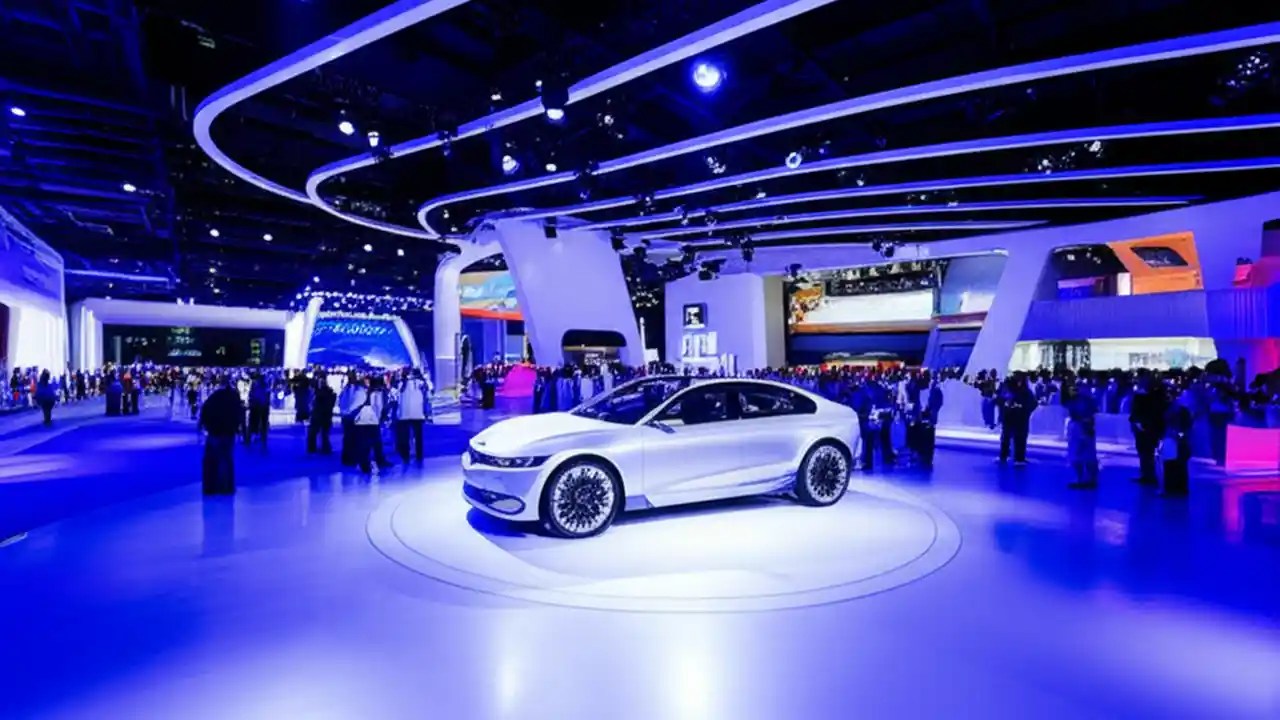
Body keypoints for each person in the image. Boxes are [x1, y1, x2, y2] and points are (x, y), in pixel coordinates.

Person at [198, 376, 243, 495]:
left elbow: (205, 411)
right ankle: (226, 487)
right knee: (226, 459)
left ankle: (211, 487)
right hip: (228, 432)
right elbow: (239, 414)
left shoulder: (214, 397)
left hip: (215, 432)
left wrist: (205, 426)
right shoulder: (234, 398)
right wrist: (237, 428)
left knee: (212, 459)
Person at [1129, 372, 1166, 486]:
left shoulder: (1152, 397)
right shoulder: (1144, 396)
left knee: (1147, 451)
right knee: (1143, 451)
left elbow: (1155, 413)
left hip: (1149, 428)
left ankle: (1149, 474)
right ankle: (1146, 473)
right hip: (1143, 428)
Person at [1063, 381, 1099, 489]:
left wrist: (1086, 424)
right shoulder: (1075, 400)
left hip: (1084, 427)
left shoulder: (1087, 400)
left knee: (1086, 454)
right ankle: (1081, 478)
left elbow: (1090, 413)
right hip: (1078, 427)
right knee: (1077, 453)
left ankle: (1089, 478)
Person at [1160, 388, 1194, 497]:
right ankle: (1172, 487)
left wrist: (1180, 434)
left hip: (1177, 439)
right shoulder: (1169, 409)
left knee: (1178, 463)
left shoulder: (1181, 411)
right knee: (1170, 463)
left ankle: (1179, 487)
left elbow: (1187, 425)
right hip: (1171, 438)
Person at [395, 369, 430, 462]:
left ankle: (418, 455)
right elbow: (400, 390)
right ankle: (406, 455)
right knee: (405, 437)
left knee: (417, 436)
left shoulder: (420, 383)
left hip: (416, 414)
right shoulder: (401, 383)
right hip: (405, 415)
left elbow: (426, 390)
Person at [308, 372, 337, 454]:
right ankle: (323, 448)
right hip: (324, 415)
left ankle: (314, 448)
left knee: (316, 433)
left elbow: (318, 404)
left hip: (320, 415)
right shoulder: (329, 393)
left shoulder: (321, 392)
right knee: (323, 433)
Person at [246, 374, 271, 445]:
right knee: (261, 422)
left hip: (257, 407)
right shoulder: (265, 386)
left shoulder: (256, 386)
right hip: (261, 407)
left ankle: (252, 437)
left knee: (254, 422)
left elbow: (252, 395)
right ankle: (262, 437)